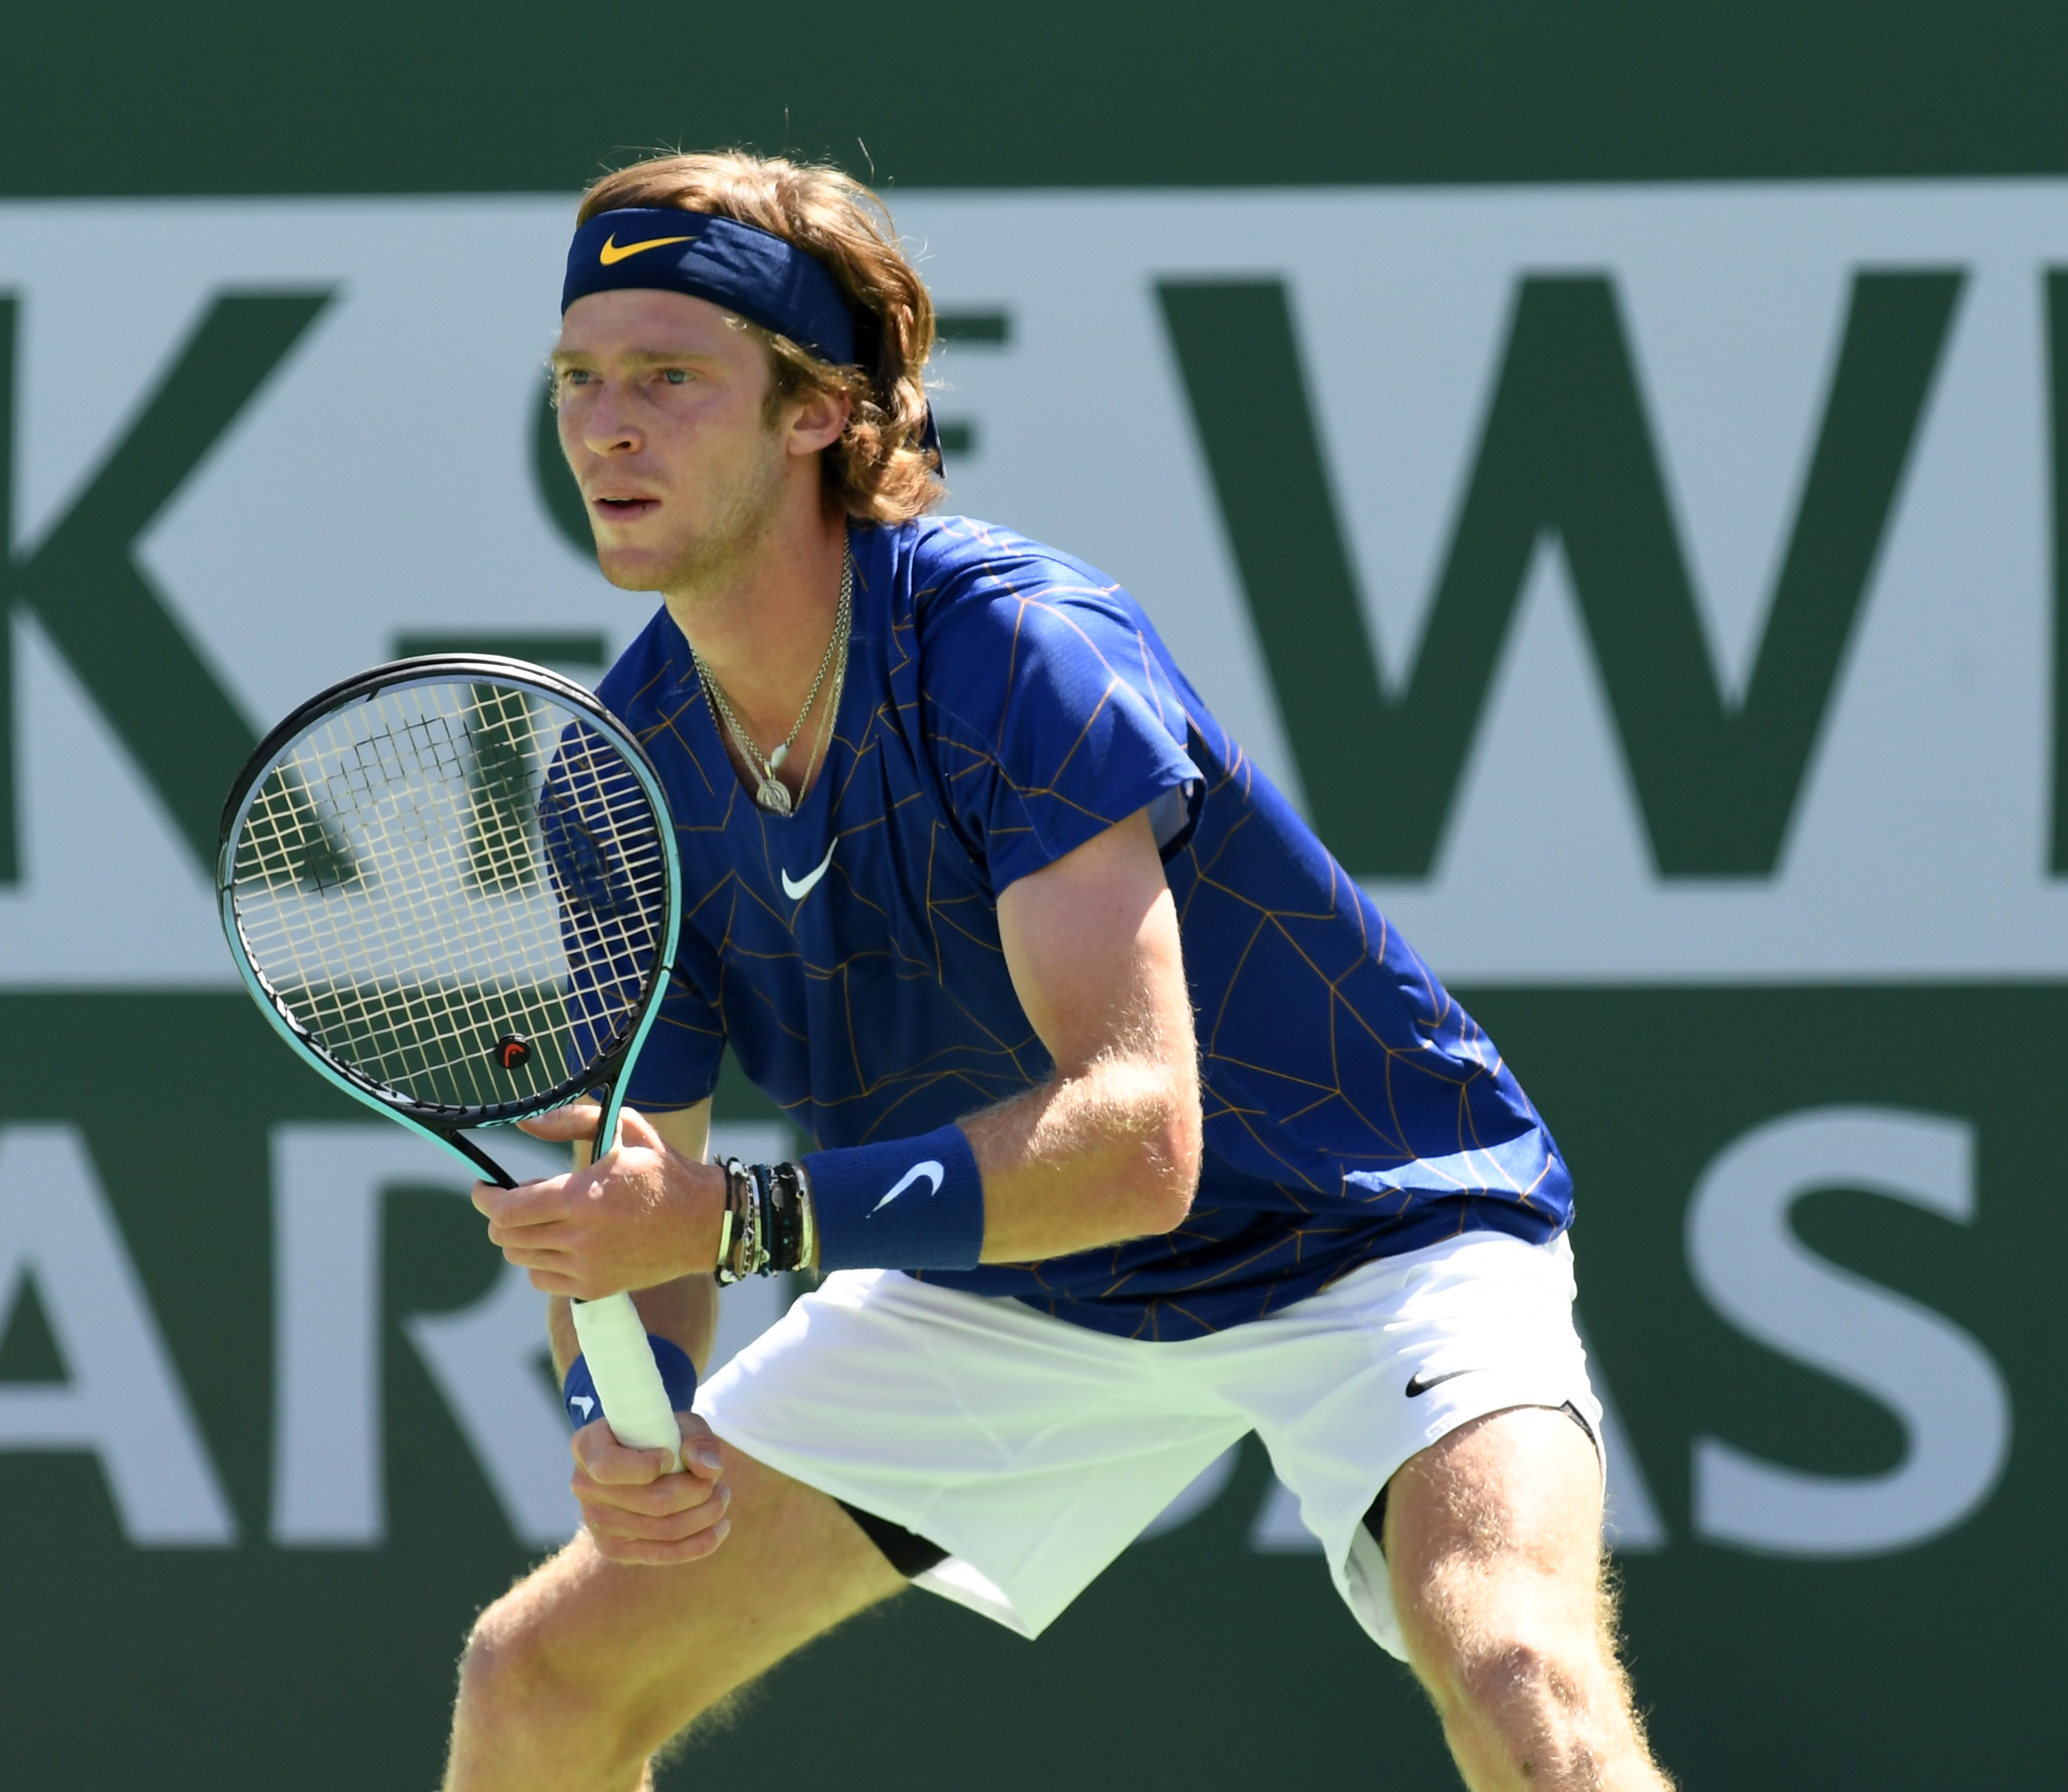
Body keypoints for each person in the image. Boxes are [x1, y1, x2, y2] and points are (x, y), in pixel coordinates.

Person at [449, 151, 1672, 1792]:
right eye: (581, 380)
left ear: (814, 411)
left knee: (1519, 1669)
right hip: (1008, 1280)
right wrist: (631, 1403)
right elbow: (641, 1183)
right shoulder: (624, 768)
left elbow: (1137, 1137)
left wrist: (736, 1222)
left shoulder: (1011, 645)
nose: (606, 425)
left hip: (1364, 1225)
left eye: (671, 377)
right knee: (538, 1680)